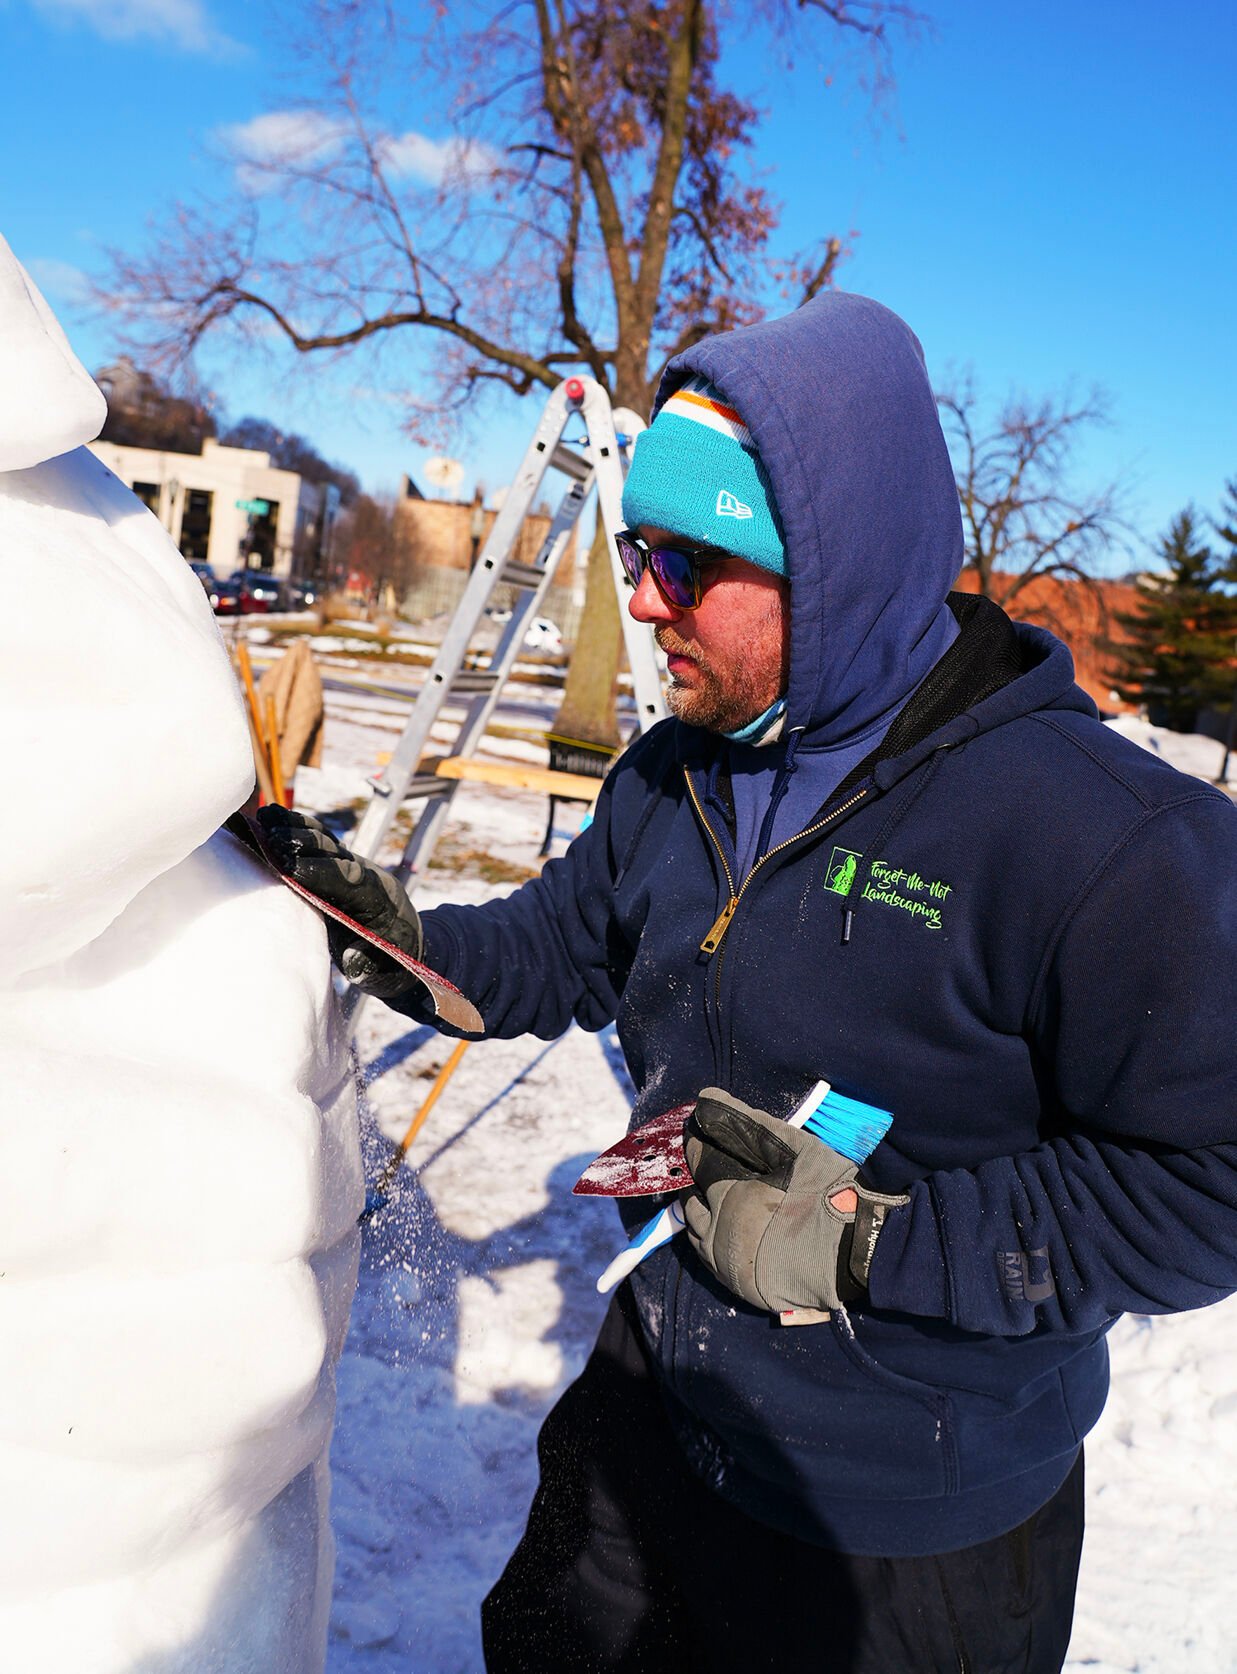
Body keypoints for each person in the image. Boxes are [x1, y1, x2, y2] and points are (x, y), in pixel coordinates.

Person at [259, 292, 1237, 1673]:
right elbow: (558, 948)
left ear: (833, 568)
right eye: (635, 547)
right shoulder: (679, 773)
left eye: (690, 557)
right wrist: (392, 933)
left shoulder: (1102, 840)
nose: (643, 594)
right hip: (659, 1395)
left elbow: (1208, 1181)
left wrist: (866, 1239)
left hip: (905, 1527)